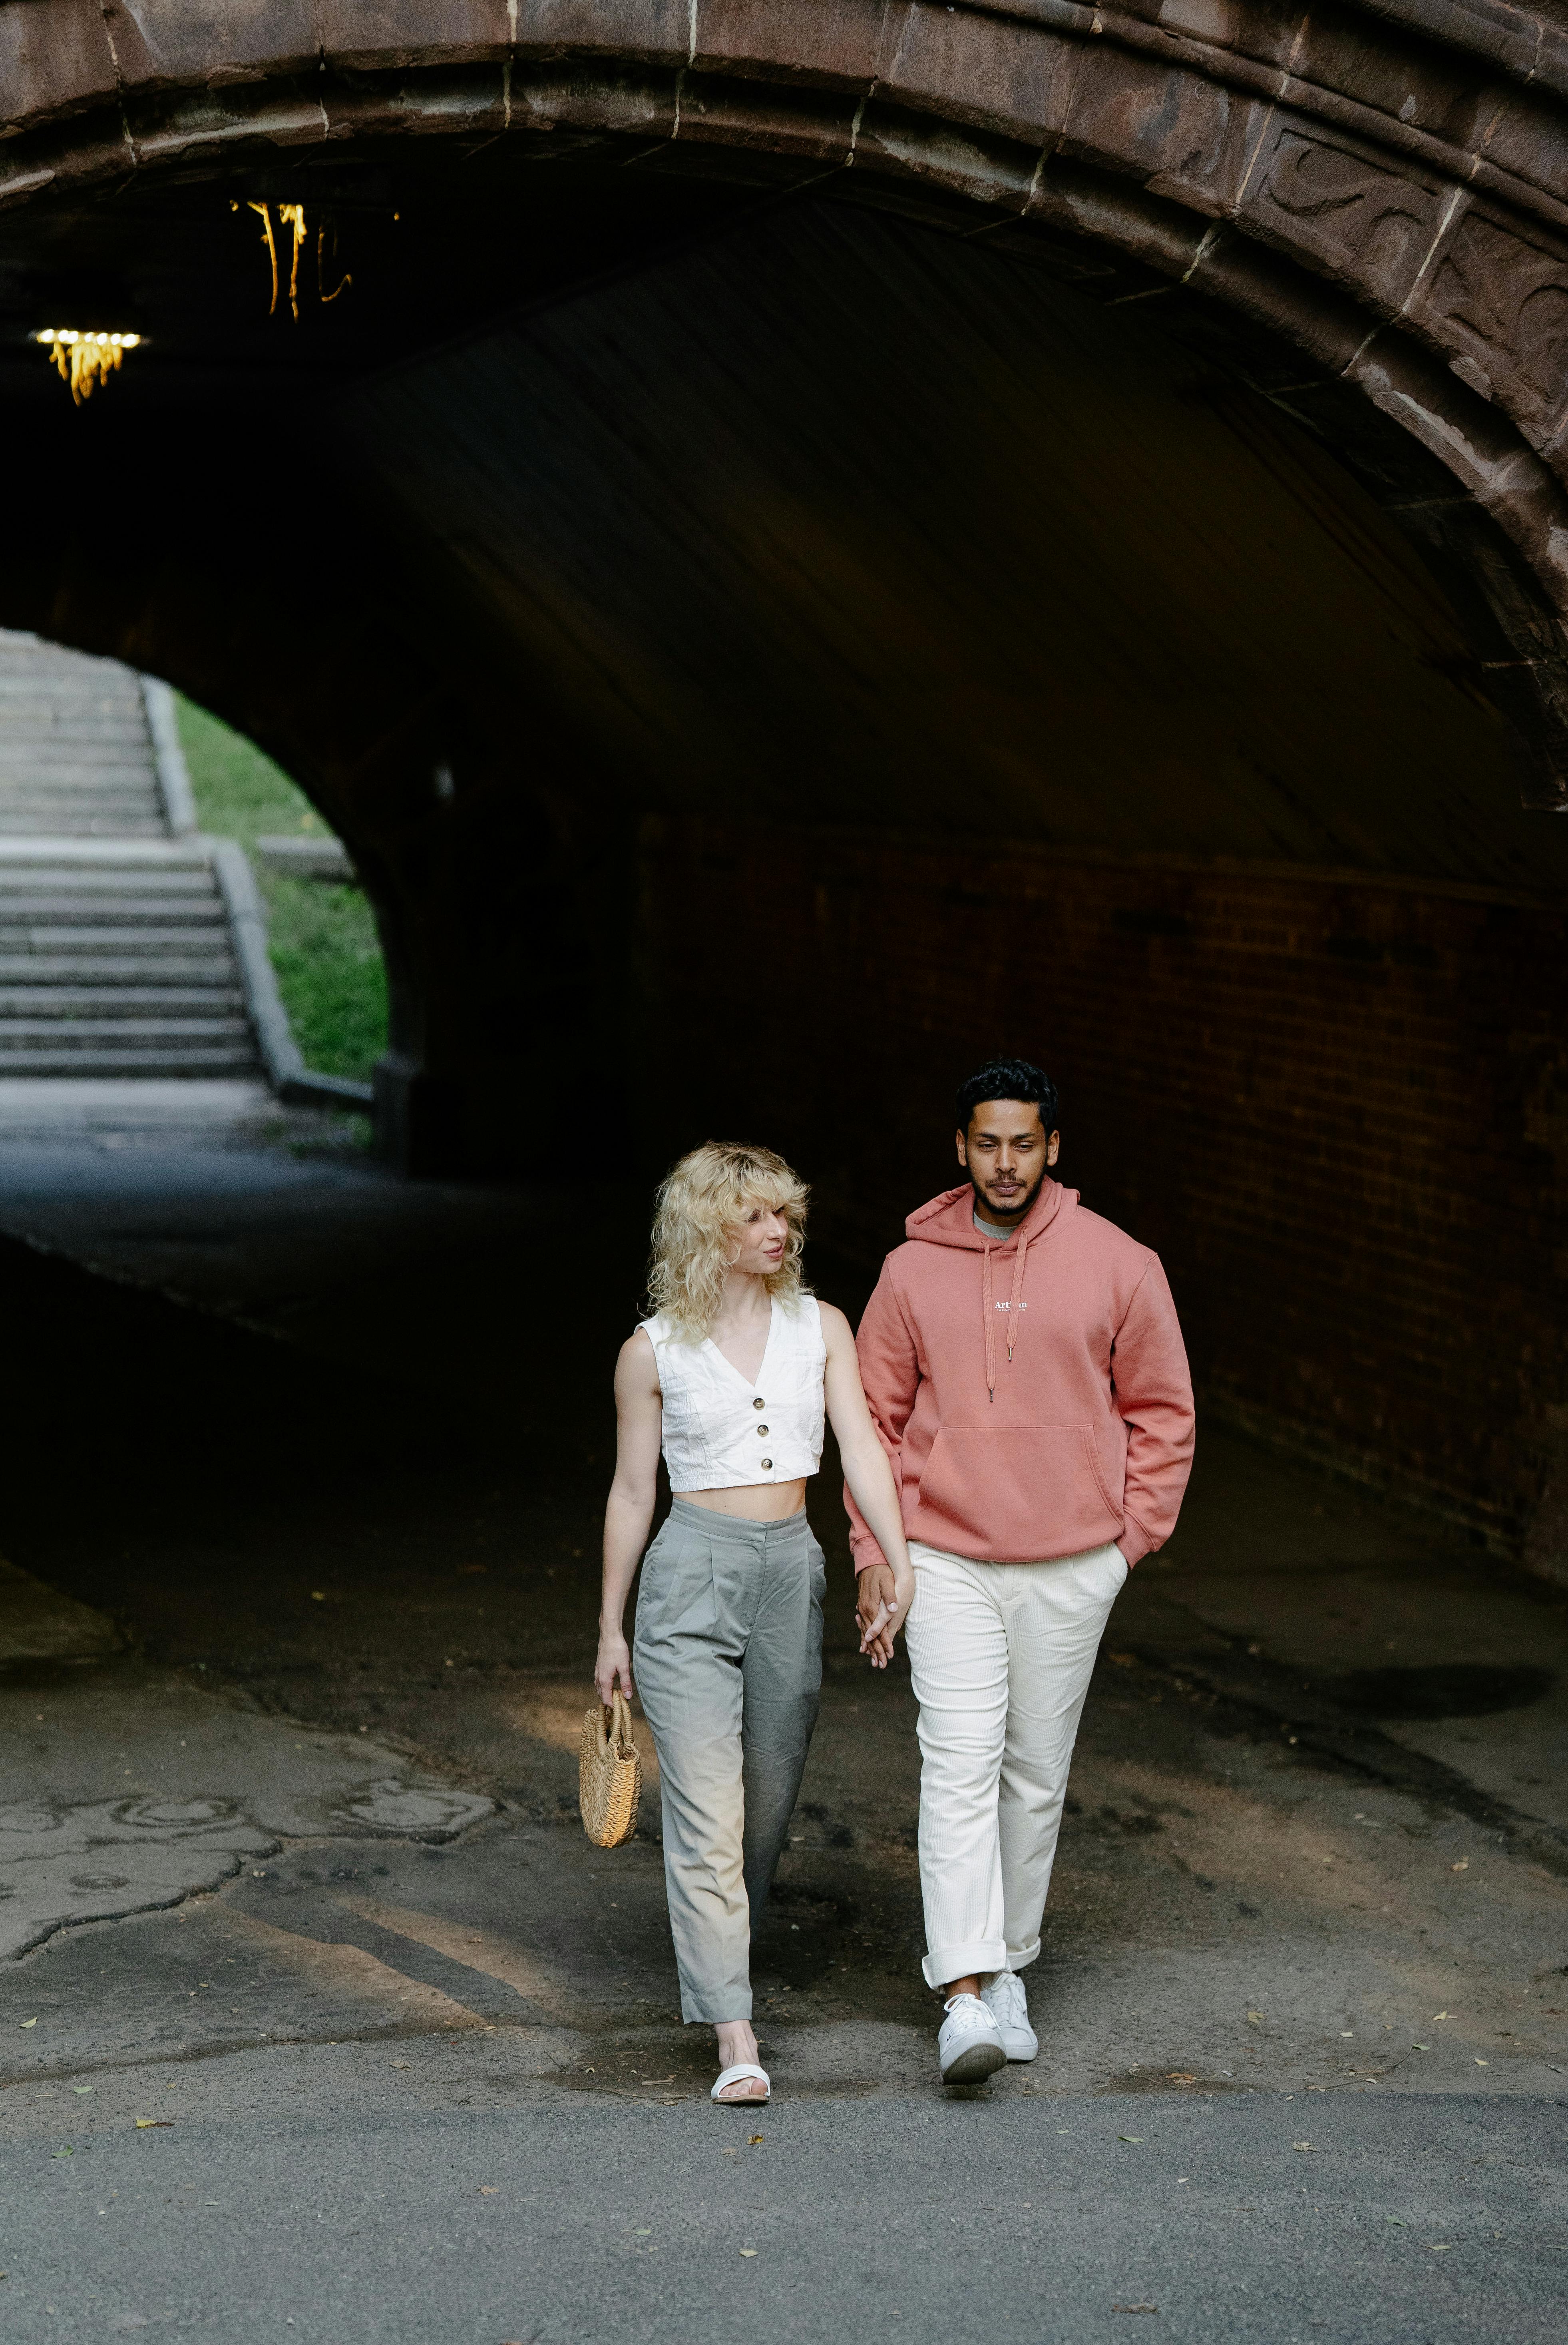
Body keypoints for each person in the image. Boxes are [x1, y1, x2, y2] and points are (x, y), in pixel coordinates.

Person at [846, 1058, 1195, 2086]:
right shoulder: (909, 1273)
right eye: (987, 1144)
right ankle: (963, 1995)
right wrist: (878, 1554)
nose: (1007, 1163)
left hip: (1074, 1563)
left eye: (1025, 1143)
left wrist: (1127, 1546)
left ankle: (1009, 1972)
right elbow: (872, 1422)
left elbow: (1163, 1413)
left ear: (1054, 1148)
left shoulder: (1122, 1264)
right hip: (945, 1558)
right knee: (958, 1761)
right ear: (961, 1149)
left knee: (1035, 1775)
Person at [596, 1140, 915, 2107]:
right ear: (707, 1227)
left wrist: (893, 1562)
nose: (779, 1231)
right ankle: (735, 2028)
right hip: (689, 1575)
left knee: (766, 1802)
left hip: (791, 1573)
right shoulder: (651, 1351)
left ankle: (717, 1949)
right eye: (755, 1216)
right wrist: (610, 1629)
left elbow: (860, 1441)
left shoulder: (822, 1326)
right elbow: (628, 1492)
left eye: (786, 1215)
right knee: (706, 1810)